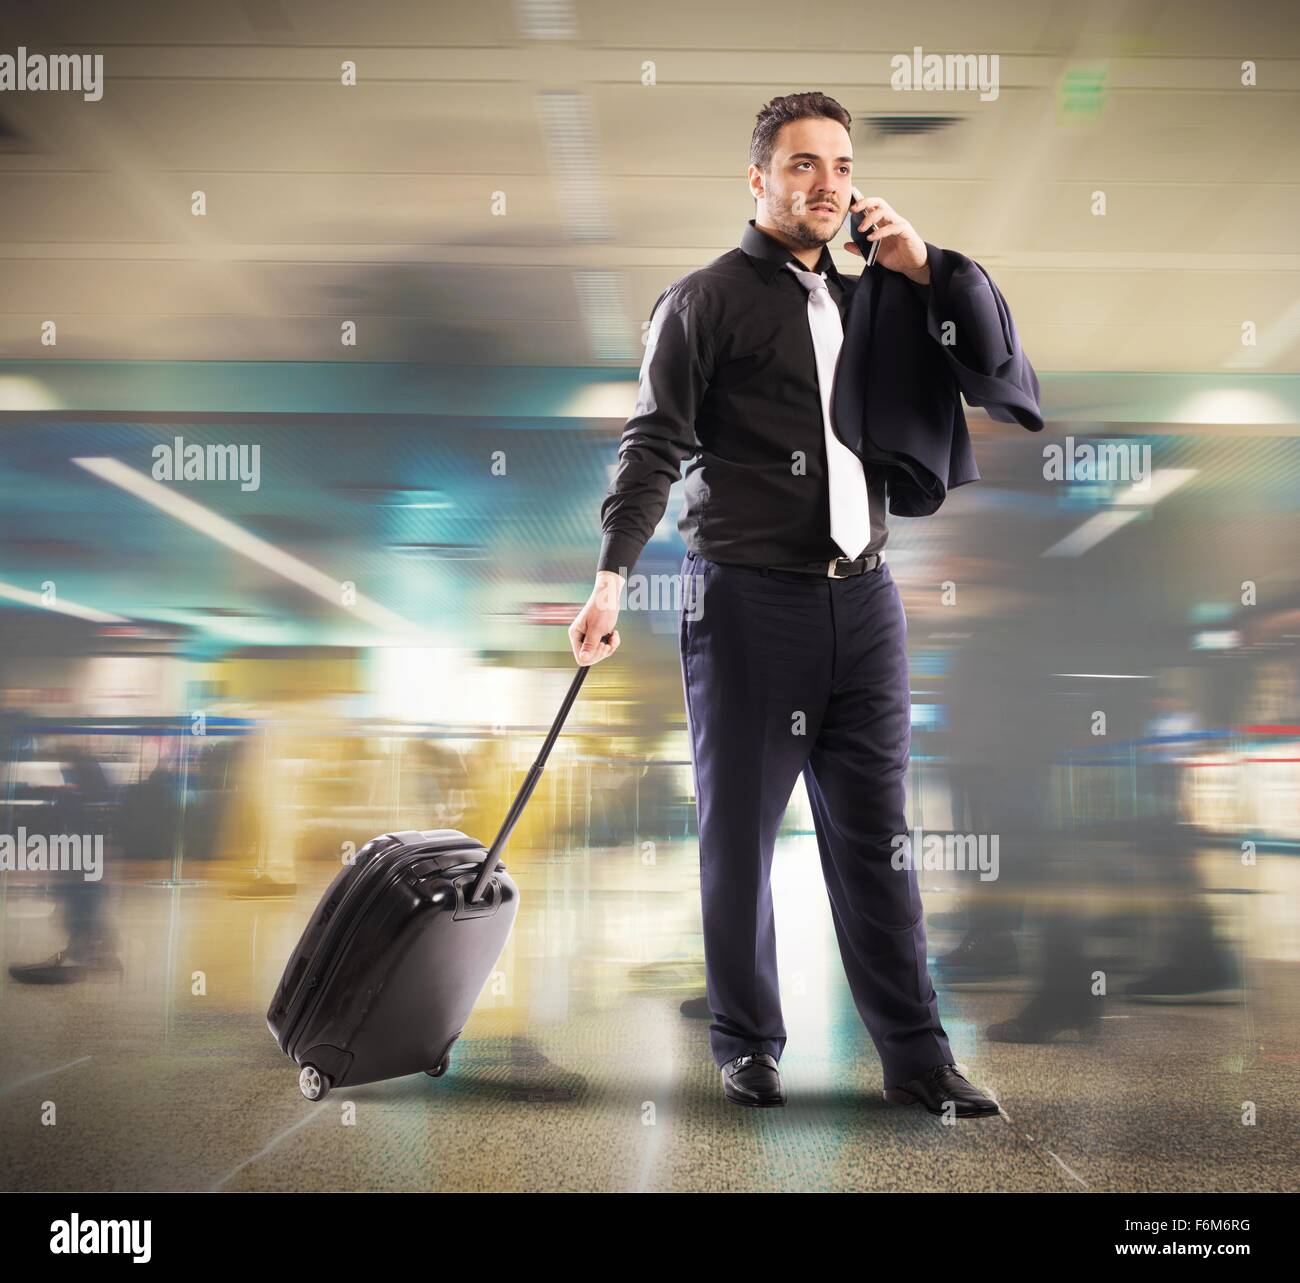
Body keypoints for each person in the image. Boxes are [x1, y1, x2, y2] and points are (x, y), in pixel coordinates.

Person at [568, 92, 1013, 1116]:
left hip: (865, 602)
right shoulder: (703, 301)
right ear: (758, 178)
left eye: (842, 166)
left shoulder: (875, 299)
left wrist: (923, 267)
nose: (826, 183)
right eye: (803, 164)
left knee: (878, 838)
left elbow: (986, 365)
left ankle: (917, 1055)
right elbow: (652, 446)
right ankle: (746, 1040)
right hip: (748, 603)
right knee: (740, 838)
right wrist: (609, 577)